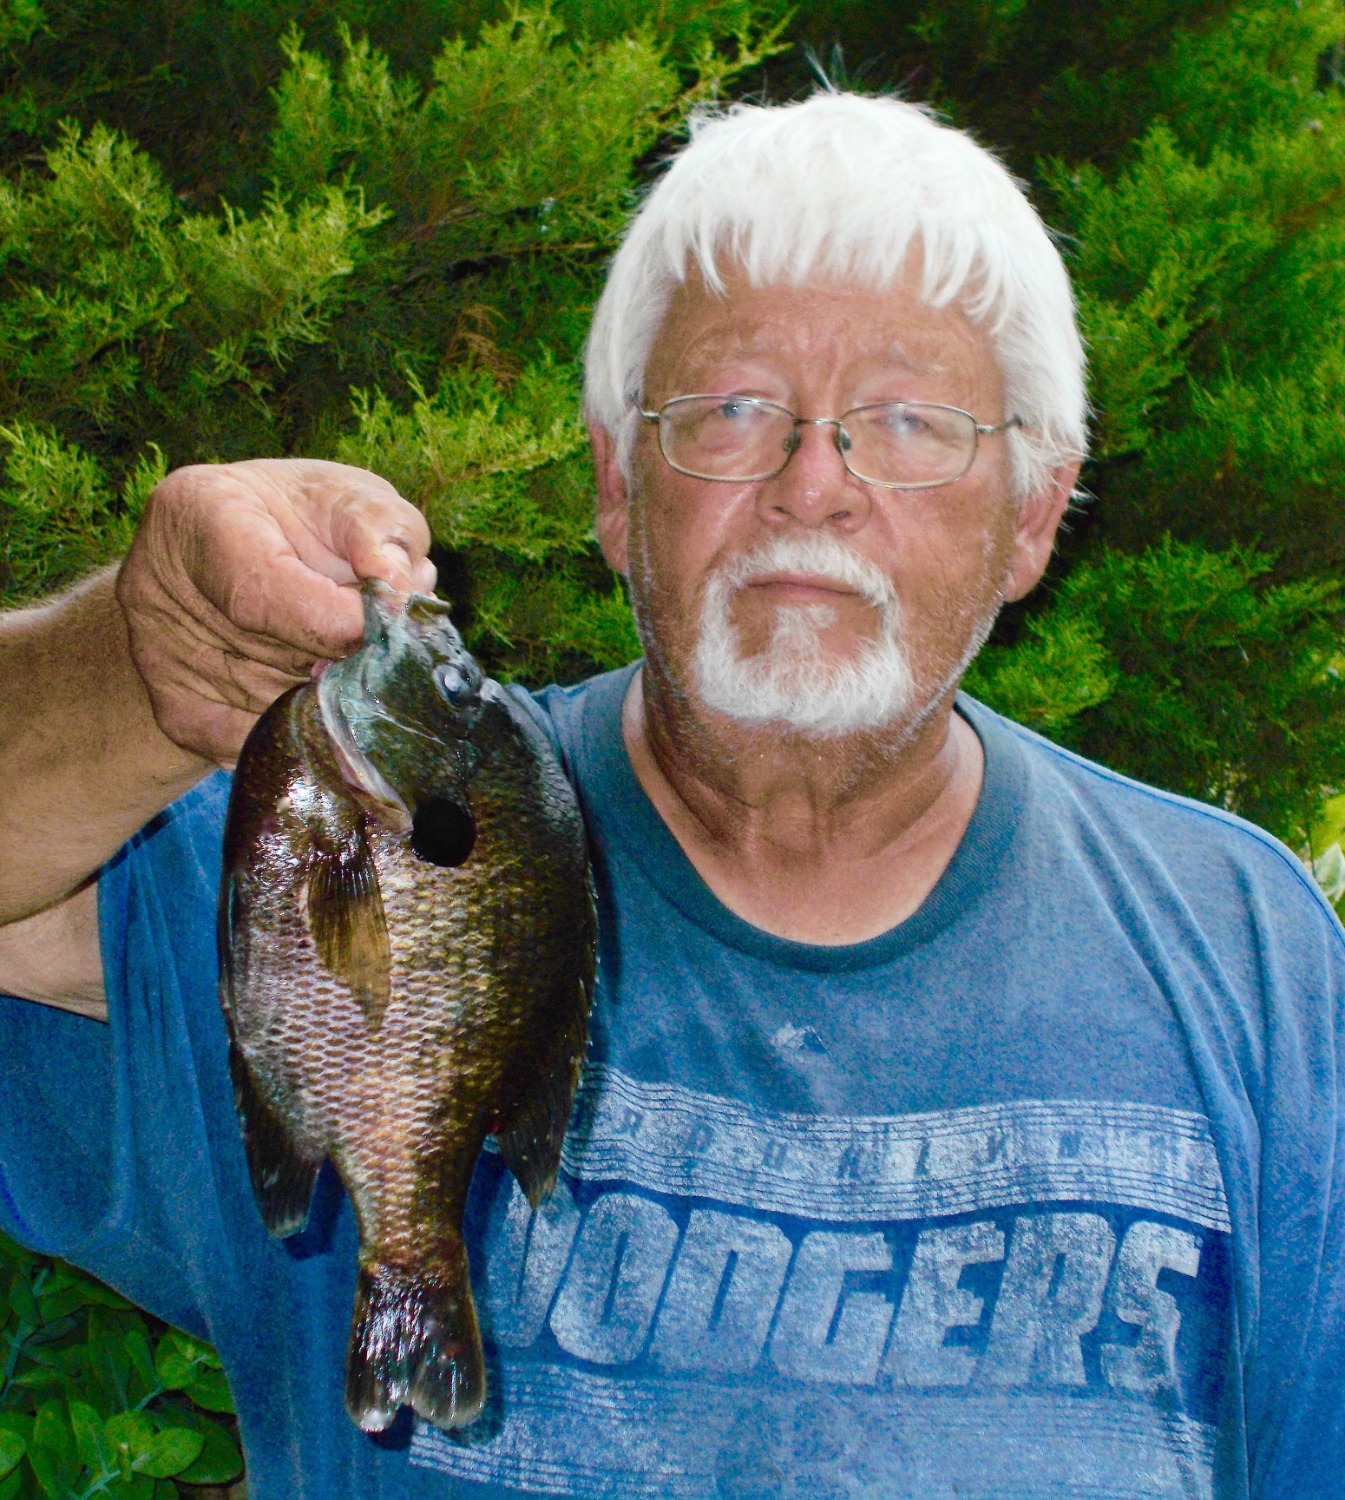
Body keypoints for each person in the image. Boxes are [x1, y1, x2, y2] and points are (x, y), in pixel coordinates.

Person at [2, 91, 1343, 1500]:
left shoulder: (1245, 950)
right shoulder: (366, 841)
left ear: (1027, 513)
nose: (809, 484)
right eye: (730, 409)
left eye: (906, 421)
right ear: (615, 490)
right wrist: (133, 664)